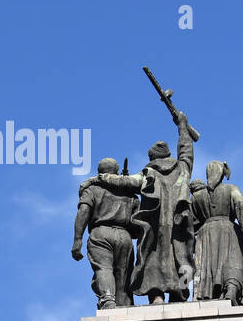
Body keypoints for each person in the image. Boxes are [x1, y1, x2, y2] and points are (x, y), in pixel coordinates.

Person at [80, 111, 196, 304]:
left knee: (153, 258)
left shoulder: (148, 174)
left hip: (155, 228)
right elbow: (186, 151)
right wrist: (182, 127)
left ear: (152, 158)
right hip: (177, 227)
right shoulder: (182, 169)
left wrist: (96, 179)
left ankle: (156, 297)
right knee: (180, 257)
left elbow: (124, 182)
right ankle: (177, 294)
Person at [190, 161, 243, 307]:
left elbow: (189, 222)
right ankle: (231, 291)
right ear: (221, 173)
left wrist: (189, 243)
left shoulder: (196, 197)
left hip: (205, 234)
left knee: (208, 266)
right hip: (229, 230)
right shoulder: (230, 189)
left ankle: (208, 294)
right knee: (233, 261)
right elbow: (241, 204)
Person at [72, 159, 139, 310]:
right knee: (124, 274)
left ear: (99, 172)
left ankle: (108, 300)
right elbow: (137, 222)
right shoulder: (130, 193)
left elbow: (83, 212)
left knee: (104, 268)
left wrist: (77, 239)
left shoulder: (92, 189)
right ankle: (125, 305)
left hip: (100, 233)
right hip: (125, 236)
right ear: (116, 171)